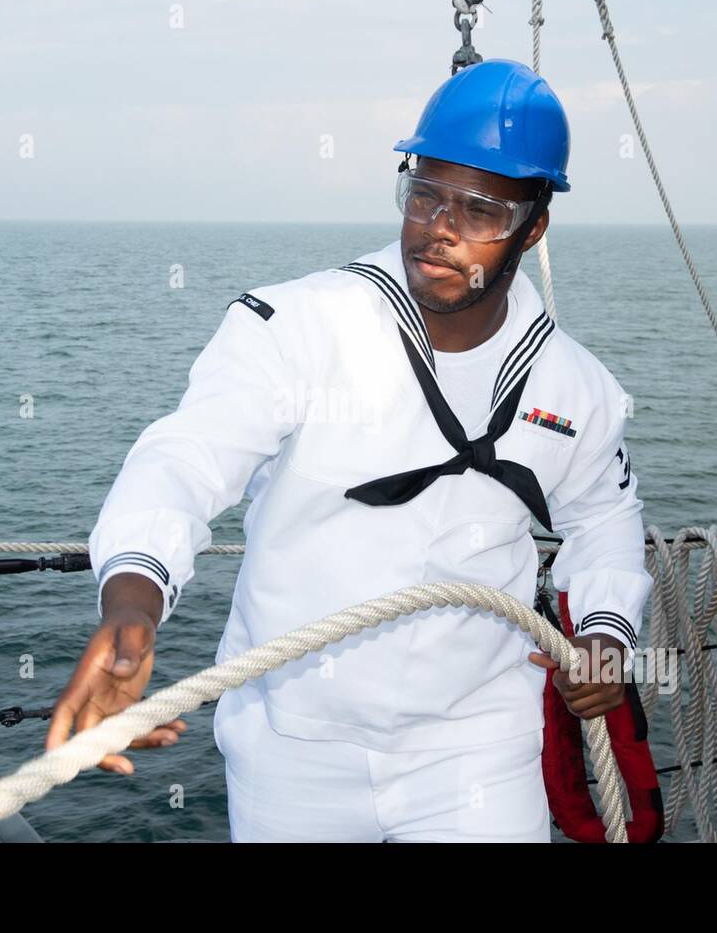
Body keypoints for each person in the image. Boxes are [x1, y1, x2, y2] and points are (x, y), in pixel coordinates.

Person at [46, 59, 653, 842]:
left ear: (533, 227)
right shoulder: (297, 327)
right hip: (292, 747)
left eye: (479, 210)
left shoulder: (576, 386)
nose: (440, 225)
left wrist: (604, 634)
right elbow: (184, 460)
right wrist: (132, 604)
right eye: (425, 192)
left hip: (477, 743)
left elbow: (605, 517)